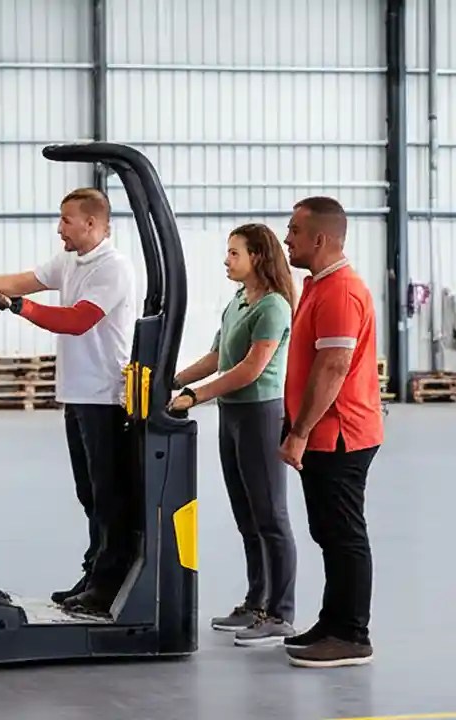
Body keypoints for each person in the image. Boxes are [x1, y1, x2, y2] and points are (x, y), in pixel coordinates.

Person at [0, 187, 138, 617]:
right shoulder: (70, 260)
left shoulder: (113, 268)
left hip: (105, 396)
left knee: (108, 496)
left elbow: (78, 320)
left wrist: (19, 308)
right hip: (77, 395)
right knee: (89, 494)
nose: (59, 227)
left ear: (92, 223)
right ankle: (94, 574)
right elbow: (26, 279)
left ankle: (108, 586)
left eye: (66, 219)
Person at [169, 223, 300, 647]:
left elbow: (249, 369)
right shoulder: (240, 301)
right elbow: (216, 356)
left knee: (271, 516)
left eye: (234, 253)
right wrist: (170, 382)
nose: (227, 260)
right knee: (247, 514)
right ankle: (256, 600)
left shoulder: (274, 307)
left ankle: (280, 612)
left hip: (260, 414)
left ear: (257, 257)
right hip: (233, 414)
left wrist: (195, 396)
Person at [277, 196, 384, 668]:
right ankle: (333, 622)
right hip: (325, 432)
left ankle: (351, 634)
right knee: (328, 531)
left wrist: (299, 431)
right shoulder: (318, 286)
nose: (286, 239)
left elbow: (334, 364)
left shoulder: (340, 291)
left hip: (339, 434)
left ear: (319, 239)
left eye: (294, 231)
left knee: (343, 533)